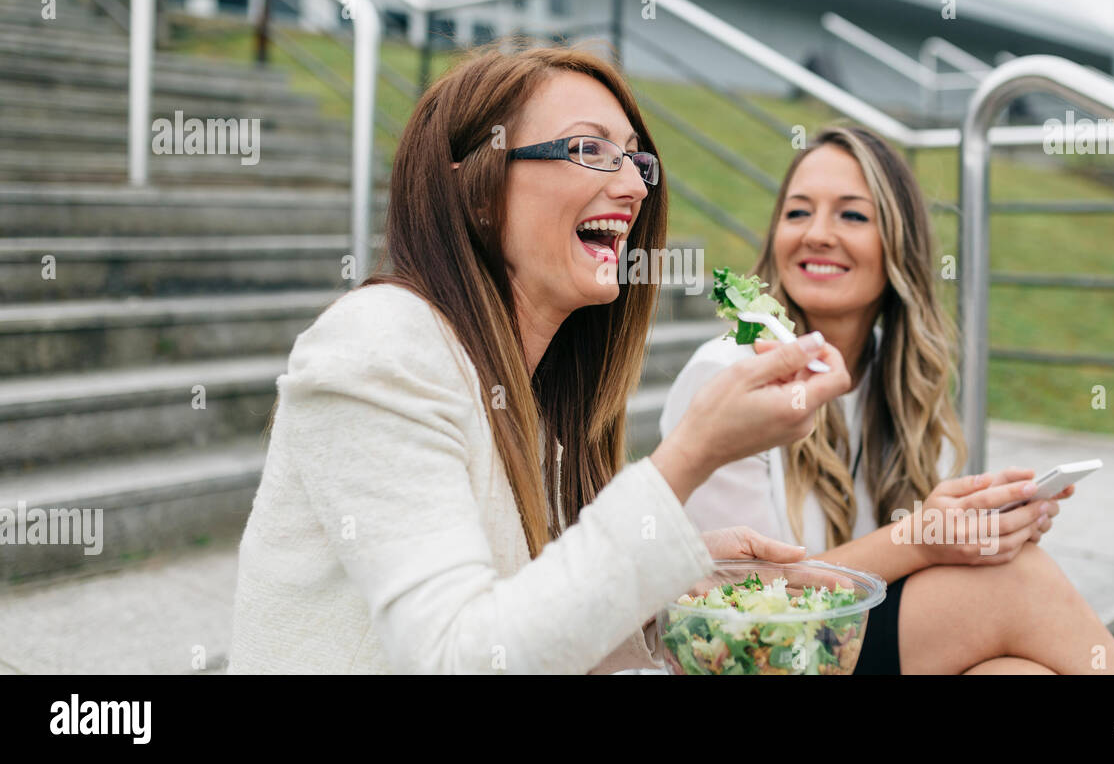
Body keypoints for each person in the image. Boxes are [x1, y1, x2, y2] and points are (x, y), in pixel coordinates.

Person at [226, 45, 851, 674]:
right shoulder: (380, 346)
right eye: (589, 149)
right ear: (478, 193)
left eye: (635, 158)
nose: (634, 185)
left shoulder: (543, 395)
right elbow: (461, 658)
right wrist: (692, 455)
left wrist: (671, 589)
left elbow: (526, 624)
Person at [660, 125, 1114, 675]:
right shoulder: (727, 374)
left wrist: (981, 528)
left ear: (899, 245)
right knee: (1016, 581)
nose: (817, 233)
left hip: (846, 644)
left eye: (852, 215)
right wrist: (922, 537)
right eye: (797, 213)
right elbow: (742, 600)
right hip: (763, 659)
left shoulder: (901, 373)